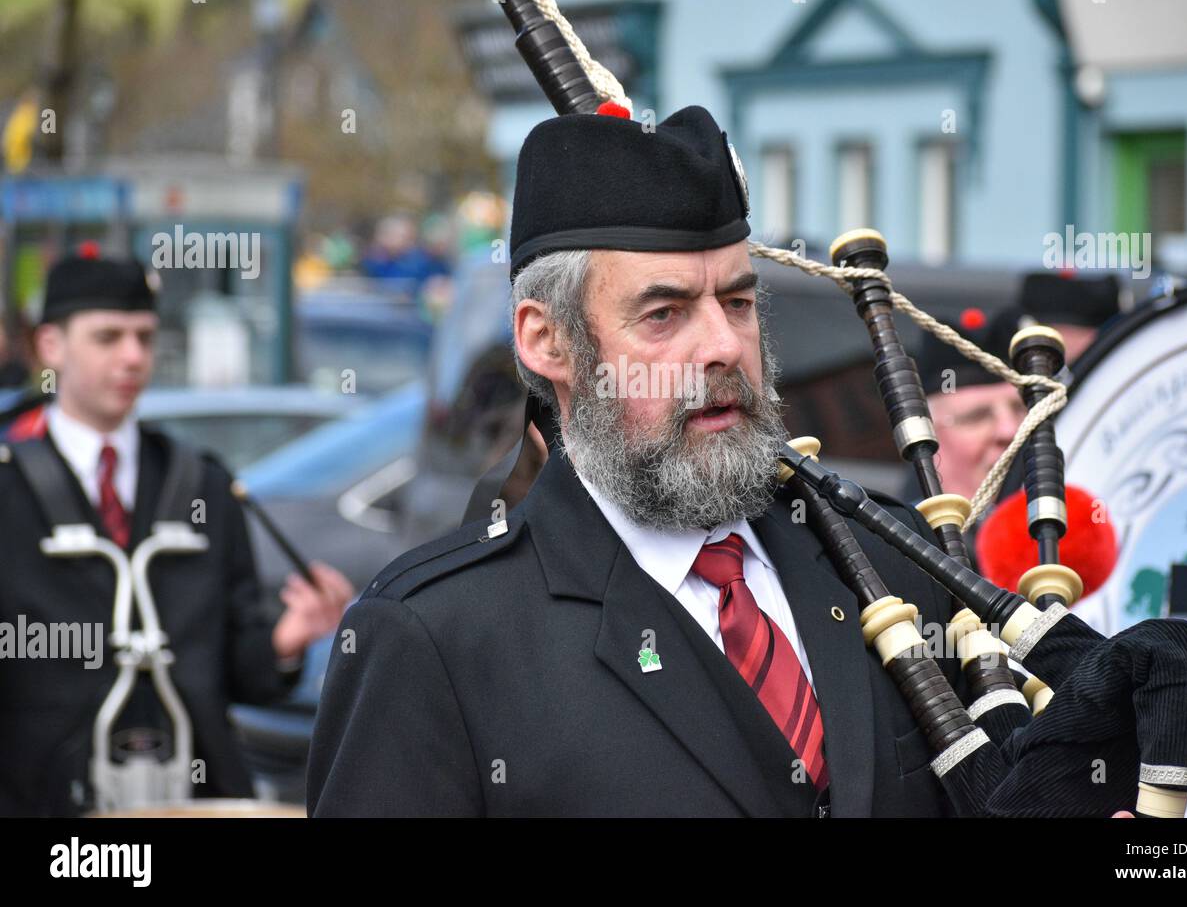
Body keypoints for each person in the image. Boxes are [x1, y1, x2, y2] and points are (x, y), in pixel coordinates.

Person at [307, 106, 974, 817]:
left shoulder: (888, 565)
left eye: (739, 301)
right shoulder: (438, 640)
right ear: (547, 342)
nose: (723, 346)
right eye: (665, 313)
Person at [0, 247, 353, 815]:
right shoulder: (10, 490)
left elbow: (241, 675)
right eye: (108, 337)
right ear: (50, 347)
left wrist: (288, 639)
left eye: (144, 336)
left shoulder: (203, 485)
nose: (133, 357)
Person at [912, 306, 1028, 505]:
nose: (1010, 431)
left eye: (1021, 409)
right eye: (976, 416)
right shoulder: (902, 533)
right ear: (927, 436)